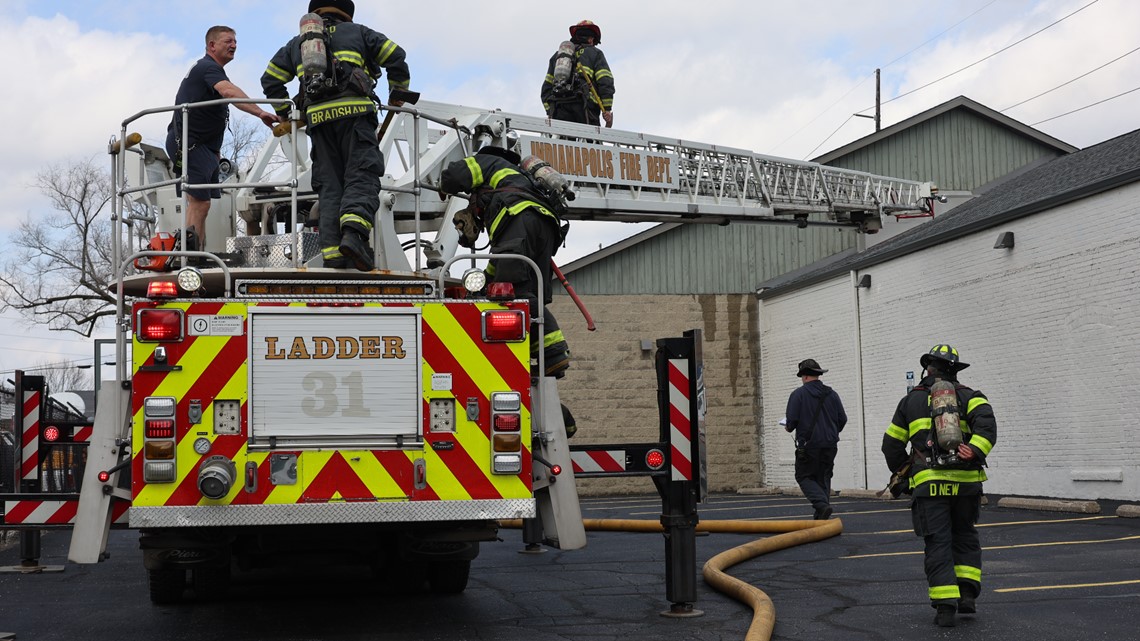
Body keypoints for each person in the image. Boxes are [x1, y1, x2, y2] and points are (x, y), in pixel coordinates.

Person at [261, 0, 411, 270]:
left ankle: (332, 252)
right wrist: (397, 94)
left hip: (319, 121)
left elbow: (270, 79)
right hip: (355, 116)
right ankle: (354, 236)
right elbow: (395, 55)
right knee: (361, 174)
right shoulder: (359, 33)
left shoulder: (297, 45)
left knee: (330, 185)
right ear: (346, 13)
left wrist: (286, 112)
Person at [882, 344, 996, 628]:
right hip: (967, 485)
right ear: (955, 370)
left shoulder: (910, 401)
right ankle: (967, 594)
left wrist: (906, 478)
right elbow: (988, 426)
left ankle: (945, 608)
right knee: (965, 535)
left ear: (927, 369)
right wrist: (976, 450)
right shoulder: (971, 396)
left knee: (938, 542)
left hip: (930, 485)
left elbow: (891, 446)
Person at [439, 146, 571, 378]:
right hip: (545, 227)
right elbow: (497, 265)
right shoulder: (525, 180)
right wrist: (485, 286)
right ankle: (545, 356)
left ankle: (555, 354)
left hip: (519, 218)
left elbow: (456, 173)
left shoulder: (488, 161)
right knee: (524, 289)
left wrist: (444, 187)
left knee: (517, 293)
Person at [167, 26, 281, 251]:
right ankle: (191, 255)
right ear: (212, 45)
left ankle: (194, 251)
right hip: (191, 145)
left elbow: (214, 112)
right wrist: (260, 112)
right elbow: (228, 92)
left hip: (203, 147)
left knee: (198, 202)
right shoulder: (207, 68)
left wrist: (215, 152)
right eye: (228, 41)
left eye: (235, 42)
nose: (234, 45)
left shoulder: (210, 70)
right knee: (201, 202)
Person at [784, 359, 847, 520]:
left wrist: (789, 427)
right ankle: (822, 515)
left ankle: (822, 505)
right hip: (830, 444)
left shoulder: (798, 395)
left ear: (804, 376)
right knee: (824, 477)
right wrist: (831, 432)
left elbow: (791, 422)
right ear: (818, 374)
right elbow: (842, 419)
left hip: (809, 446)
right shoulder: (832, 394)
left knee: (804, 476)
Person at [541, 20, 615, 127]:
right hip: (585, 107)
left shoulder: (557, 56)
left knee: (562, 143)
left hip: (560, 107)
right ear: (591, 39)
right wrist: (607, 109)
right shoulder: (595, 53)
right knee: (591, 141)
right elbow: (605, 81)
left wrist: (550, 111)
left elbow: (546, 88)